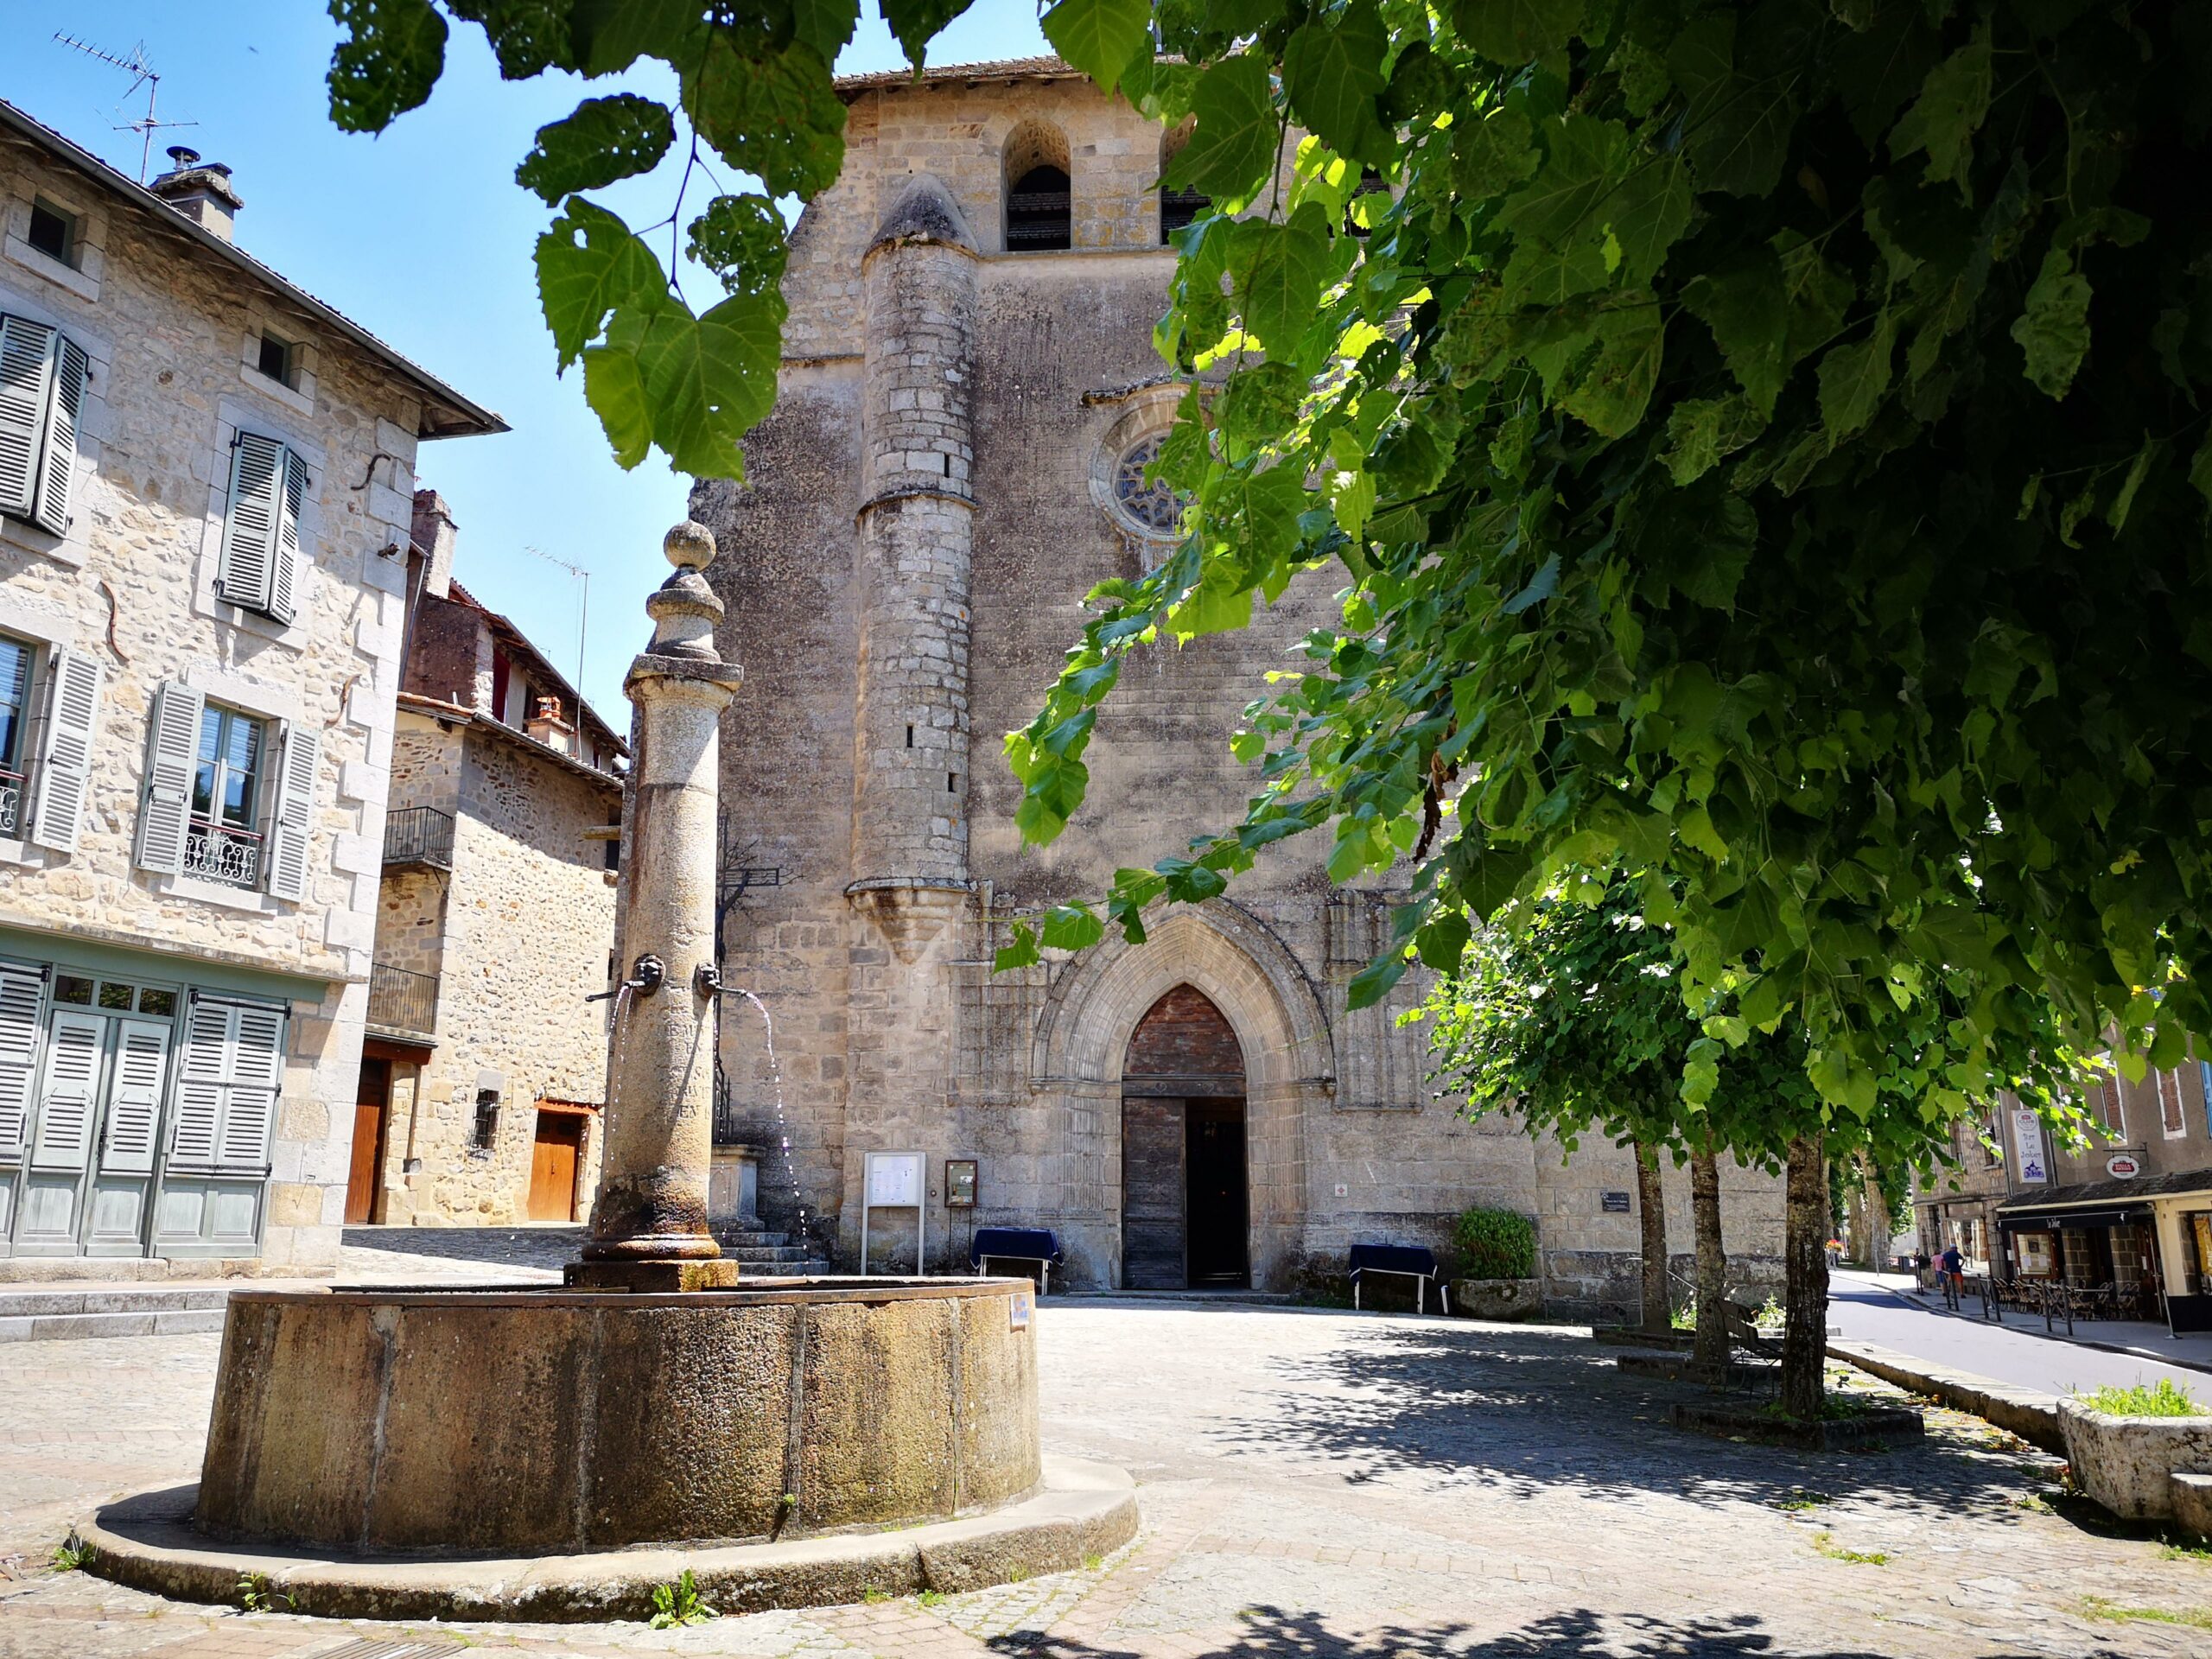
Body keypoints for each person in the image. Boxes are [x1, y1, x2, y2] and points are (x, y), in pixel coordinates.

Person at [1937, 1243, 1966, 1311]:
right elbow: (1963, 1260)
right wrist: (1960, 1266)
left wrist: (1945, 1268)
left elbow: (1943, 1261)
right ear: (1954, 1248)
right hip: (1957, 1270)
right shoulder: (1956, 1254)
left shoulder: (1946, 1254)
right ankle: (1962, 1294)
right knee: (1959, 1282)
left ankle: (1949, 1294)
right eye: (1955, 1248)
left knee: (1949, 1282)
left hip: (1949, 1271)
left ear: (1950, 1248)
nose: (1956, 1249)